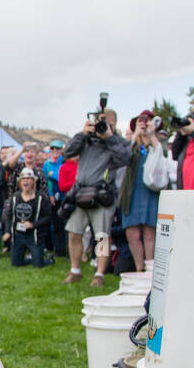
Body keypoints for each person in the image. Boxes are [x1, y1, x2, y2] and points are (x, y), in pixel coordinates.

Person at [62, 110, 131, 288]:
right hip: (80, 193)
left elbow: (125, 159)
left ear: (114, 124)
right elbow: (68, 151)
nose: (102, 125)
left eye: (108, 122)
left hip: (102, 194)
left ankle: (99, 274)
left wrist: (109, 138)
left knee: (101, 237)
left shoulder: (118, 142)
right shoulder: (87, 139)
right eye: (100, 121)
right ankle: (75, 270)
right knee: (74, 233)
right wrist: (82, 134)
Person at [118, 111, 168, 270]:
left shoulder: (158, 143)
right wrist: (135, 135)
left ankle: (151, 268)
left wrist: (152, 135)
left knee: (149, 233)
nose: (144, 124)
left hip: (151, 193)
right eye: (141, 122)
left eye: (148, 121)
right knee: (132, 234)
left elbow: (163, 155)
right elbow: (123, 157)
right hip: (131, 192)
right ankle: (139, 268)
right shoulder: (133, 145)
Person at [3, 167, 53, 267]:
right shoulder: (15, 197)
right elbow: (9, 216)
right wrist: (7, 231)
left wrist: (33, 224)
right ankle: (31, 258)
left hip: (34, 235)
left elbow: (47, 217)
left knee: (38, 265)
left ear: (33, 182)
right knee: (16, 264)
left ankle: (49, 260)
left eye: (29, 179)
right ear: (20, 182)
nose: (26, 181)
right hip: (18, 235)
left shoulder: (41, 198)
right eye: (23, 179)